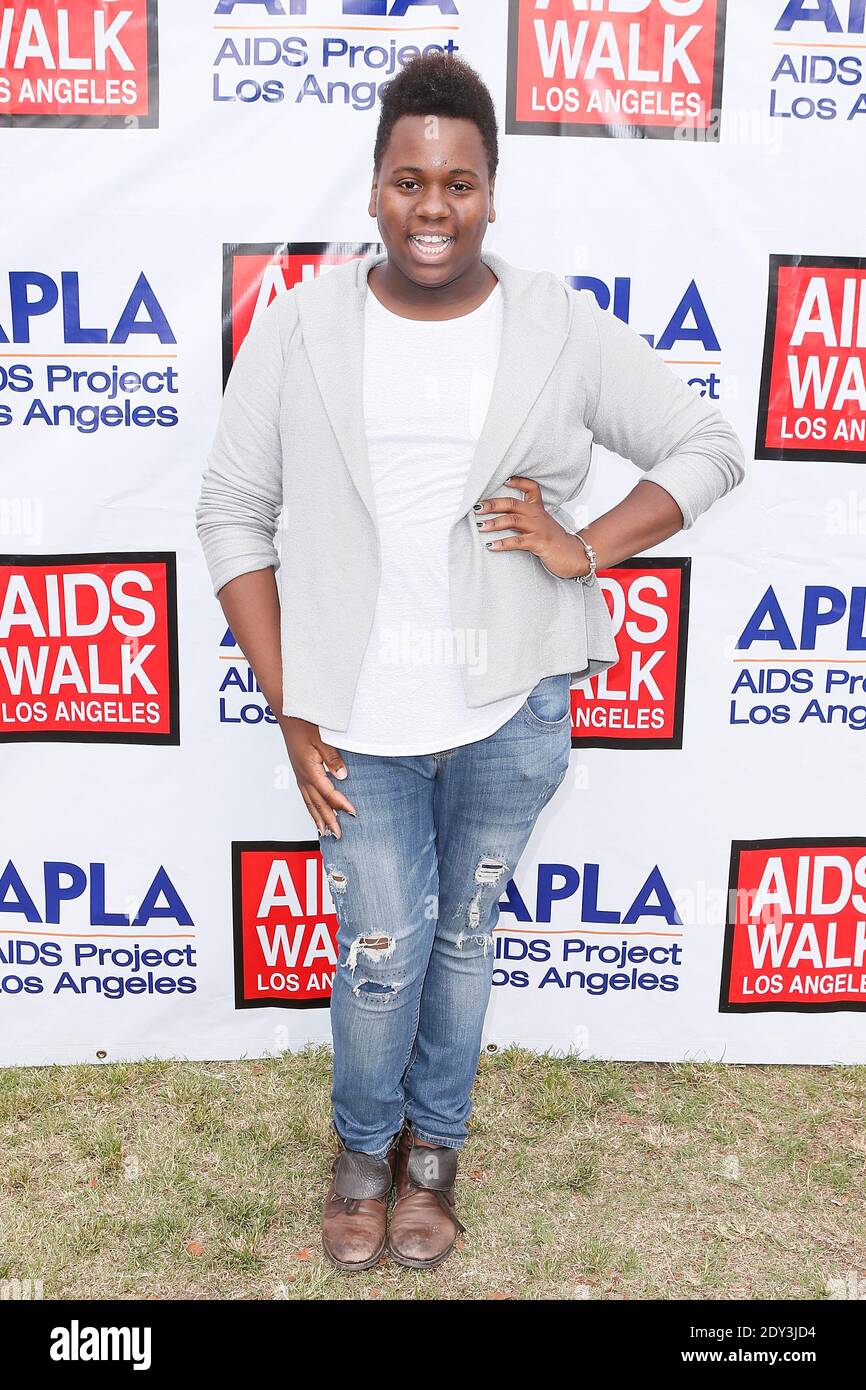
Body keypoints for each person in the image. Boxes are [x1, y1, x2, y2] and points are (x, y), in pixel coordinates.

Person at [195, 51, 746, 1274]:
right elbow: (233, 510)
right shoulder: (300, 325)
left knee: (465, 938)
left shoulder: (553, 322)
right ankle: (360, 1148)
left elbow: (706, 442)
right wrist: (290, 702)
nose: (429, 207)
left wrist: (581, 545)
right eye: (406, 180)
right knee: (383, 946)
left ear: (492, 190)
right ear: (374, 189)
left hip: (508, 707)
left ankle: (430, 1155)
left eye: (455, 181)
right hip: (356, 714)